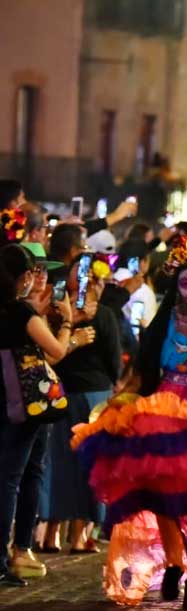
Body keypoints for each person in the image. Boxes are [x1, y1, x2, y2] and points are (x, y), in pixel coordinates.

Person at [72, 234, 187, 609]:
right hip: (163, 413)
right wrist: (123, 398)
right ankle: (175, 564)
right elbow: (144, 369)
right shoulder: (164, 322)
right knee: (163, 497)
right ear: (177, 283)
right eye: (186, 282)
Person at [0, 244, 75, 586]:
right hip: (23, 408)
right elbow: (57, 351)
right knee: (11, 480)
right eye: (31, 273)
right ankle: (3, 559)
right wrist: (69, 323)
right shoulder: (20, 314)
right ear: (22, 277)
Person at [40, 253, 123, 553]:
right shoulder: (102, 315)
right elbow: (115, 362)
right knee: (88, 466)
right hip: (93, 397)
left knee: (58, 464)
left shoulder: (55, 311)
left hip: (59, 394)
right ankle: (79, 535)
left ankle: (51, 534)